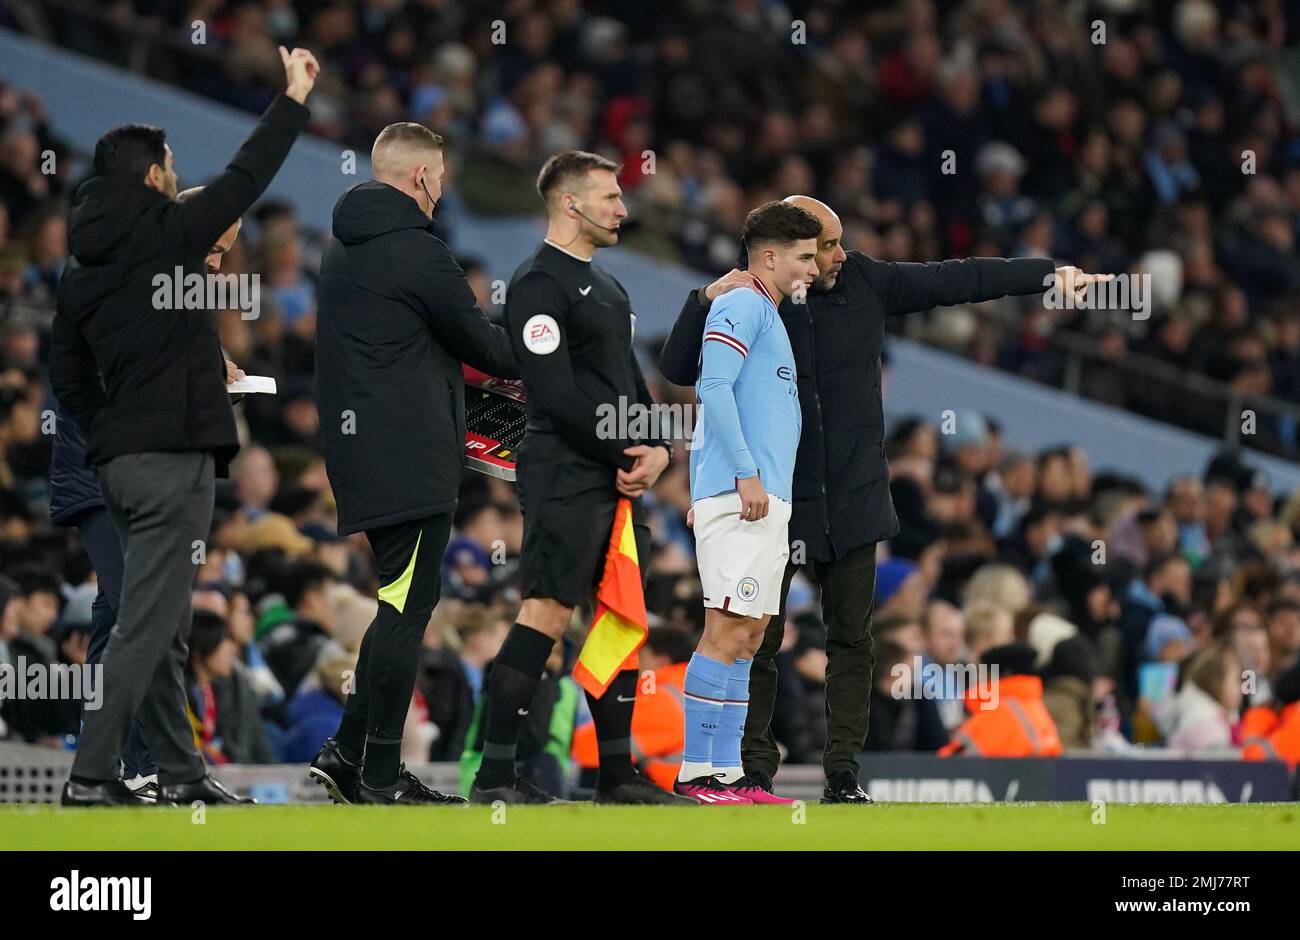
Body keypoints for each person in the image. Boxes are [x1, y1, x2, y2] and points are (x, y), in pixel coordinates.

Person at [660, 194, 1106, 803]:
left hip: (852, 496)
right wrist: (705, 298)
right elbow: (685, 370)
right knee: (755, 636)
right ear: (792, 250)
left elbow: (962, 278)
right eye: (825, 246)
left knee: (852, 640)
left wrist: (1046, 273)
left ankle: (843, 775)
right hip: (773, 492)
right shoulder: (752, 298)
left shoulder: (868, 280)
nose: (839, 256)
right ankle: (748, 770)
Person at [48, 46, 320, 807]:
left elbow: (67, 377)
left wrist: (117, 423)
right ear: (152, 175)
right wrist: (294, 97)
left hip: (119, 463)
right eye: (168, 164)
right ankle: (92, 775)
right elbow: (246, 176)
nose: (174, 173)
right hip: (169, 463)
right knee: (145, 625)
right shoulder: (166, 231)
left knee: (159, 624)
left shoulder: (81, 268)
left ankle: (179, 769)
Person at [308, 122, 517, 805]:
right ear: (424, 178)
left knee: (397, 600)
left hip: (363, 452)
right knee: (406, 608)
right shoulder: (421, 253)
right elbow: (486, 347)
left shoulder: (342, 250)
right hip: (410, 455)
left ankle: (347, 753)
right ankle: (377, 772)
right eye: (441, 179)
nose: (441, 192)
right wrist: (543, 351)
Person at [468, 150, 683, 805]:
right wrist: (628, 452)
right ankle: (494, 775)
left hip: (616, 473)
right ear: (570, 203)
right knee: (548, 612)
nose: (623, 208)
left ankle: (617, 777)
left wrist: (660, 449)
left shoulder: (609, 289)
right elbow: (553, 395)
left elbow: (632, 386)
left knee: (618, 617)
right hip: (565, 471)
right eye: (611, 197)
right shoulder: (537, 282)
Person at [46, 184, 249, 800]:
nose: (215, 265)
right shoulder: (120, 280)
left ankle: (160, 769)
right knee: (137, 614)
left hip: (146, 471)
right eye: (212, 249)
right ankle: (119, 769)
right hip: (106, 470)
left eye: (223, 256)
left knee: (142, 615)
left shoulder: (177, 292)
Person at [674, 200, 819, 805]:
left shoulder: (768, 313)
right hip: (745, 493)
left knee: (751, 636)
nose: (813, 268)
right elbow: (713, 387)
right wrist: (739, 476)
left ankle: (728, 773)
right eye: (805, 257)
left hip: (760, 498)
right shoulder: (740, 304)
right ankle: (695, 772)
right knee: (725, 630)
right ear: (769, 256)